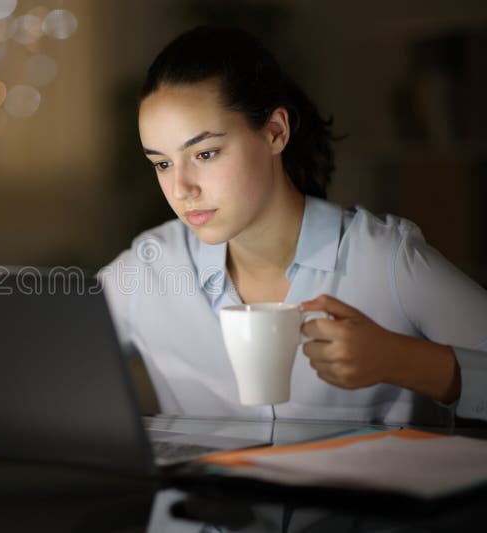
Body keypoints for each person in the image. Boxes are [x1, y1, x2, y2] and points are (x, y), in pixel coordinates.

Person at [99, 26, 487, 425]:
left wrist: (400, 360)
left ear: (275, 133)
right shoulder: (151, 267)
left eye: (206, 153)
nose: (181, 189)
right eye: (163, 163)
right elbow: (57, 357)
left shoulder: (382, 259)